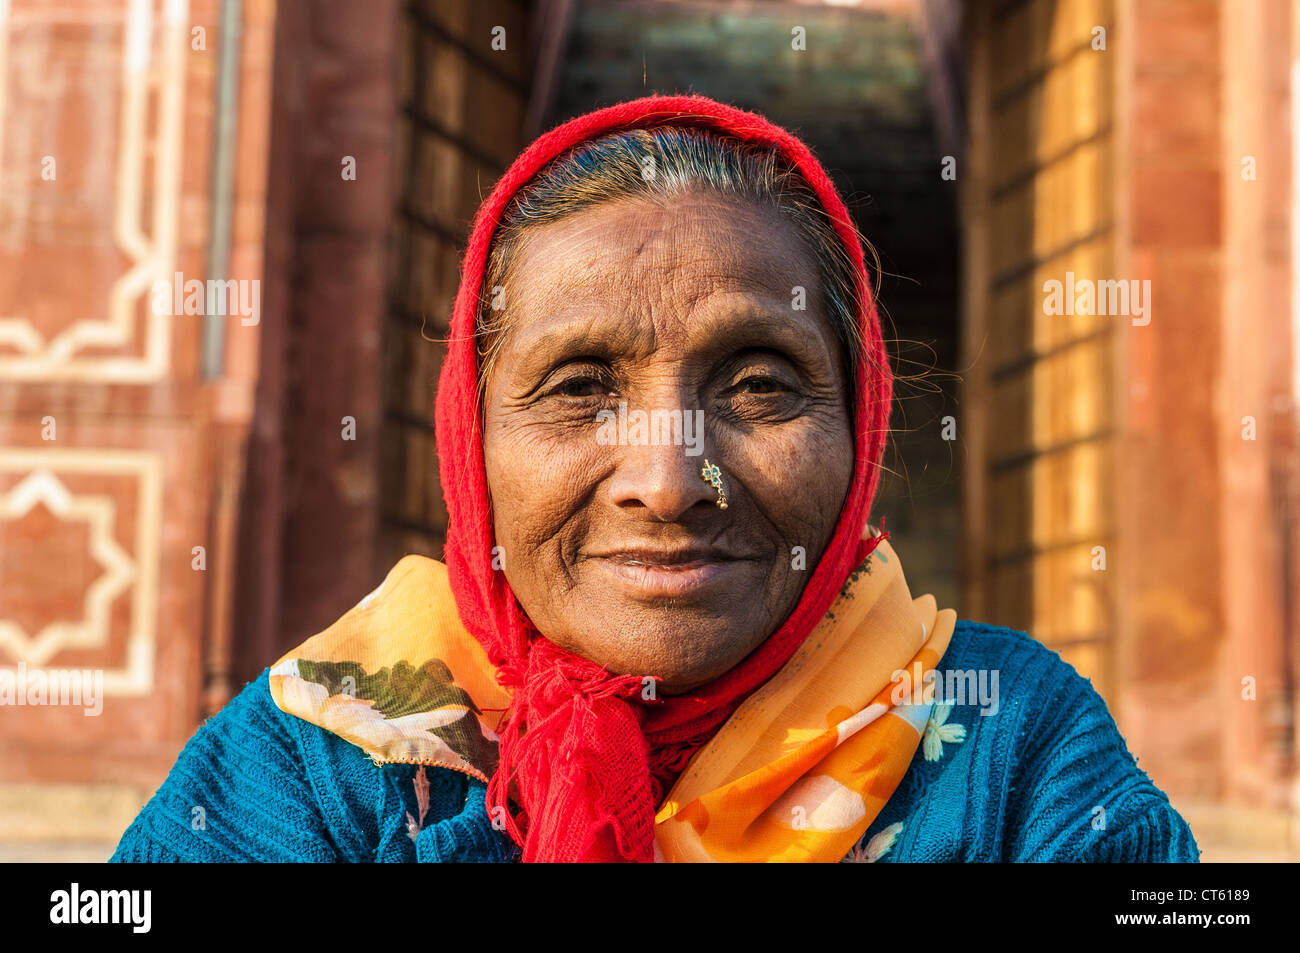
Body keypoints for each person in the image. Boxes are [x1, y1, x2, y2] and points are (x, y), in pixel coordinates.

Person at [111, 94, 1199, 863]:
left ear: (858, 422)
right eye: (580, 386)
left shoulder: (1016, 743)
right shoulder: (312, 759)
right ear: (469, 436)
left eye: (760, 384)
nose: (670, 480)